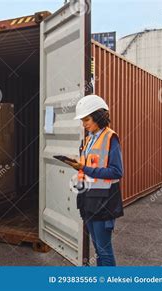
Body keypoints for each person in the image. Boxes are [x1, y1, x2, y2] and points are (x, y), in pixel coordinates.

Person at [64, 94, 124, 266]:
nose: (84, 124)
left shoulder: (111, 137)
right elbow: (89, 166)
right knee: (98, 251)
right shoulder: (88, 140)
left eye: (87, 119)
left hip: (104, 201)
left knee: (104, 252)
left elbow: (116, 172)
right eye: (82, 120)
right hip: (88, 199)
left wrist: (83, 168)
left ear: (98, 116)